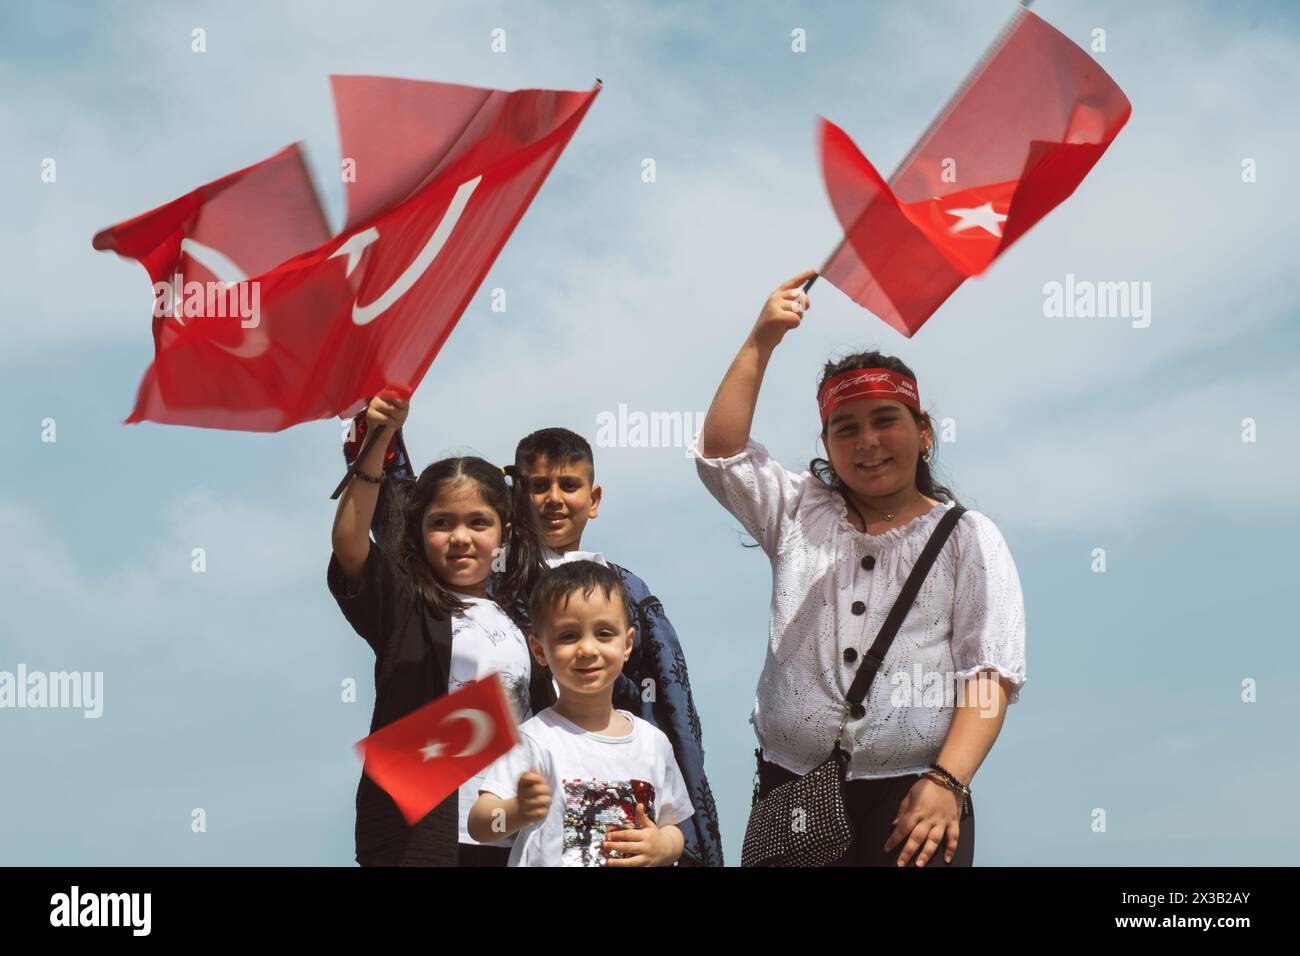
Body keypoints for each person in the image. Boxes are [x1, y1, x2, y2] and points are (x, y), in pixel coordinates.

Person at [691, 270, 1027, 867]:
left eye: (885, 420)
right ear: (827, 445)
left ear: (923, 433)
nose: (867, 441)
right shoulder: (797, 514)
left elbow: (989, 674)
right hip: (791, 794)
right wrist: (762, 338)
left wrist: (948, 783)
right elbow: (721, 456)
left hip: (917, 803)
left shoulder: (969, 538)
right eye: (846, 428)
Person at [344, 422, 724, 866]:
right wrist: (378, 444)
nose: (555, 499)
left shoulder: (619, 590)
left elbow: (668, 706)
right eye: (539, 486)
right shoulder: (448, 594)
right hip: (436, 821)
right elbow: (381, 533)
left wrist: (673, 840)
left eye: (602, 632)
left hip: (547, 829)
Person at [328, 390, 546, 866]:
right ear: (419, 530)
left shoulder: (527, 618)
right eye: (442, 522)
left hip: (513, 836)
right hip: (423, 836)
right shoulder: (405, 604)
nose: (460, 537)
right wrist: (377, 444)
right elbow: (350, 543)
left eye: (478, 522)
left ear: (504, 533)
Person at [468, 560, 693, 866]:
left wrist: (663, 847)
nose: (587, 649)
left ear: (627, 644)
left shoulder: (654, 743)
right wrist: (516, 811)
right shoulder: (533, 739)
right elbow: (480, 825)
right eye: (568, 636)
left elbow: (673, 827)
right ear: (539, 650)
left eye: (603, 633)